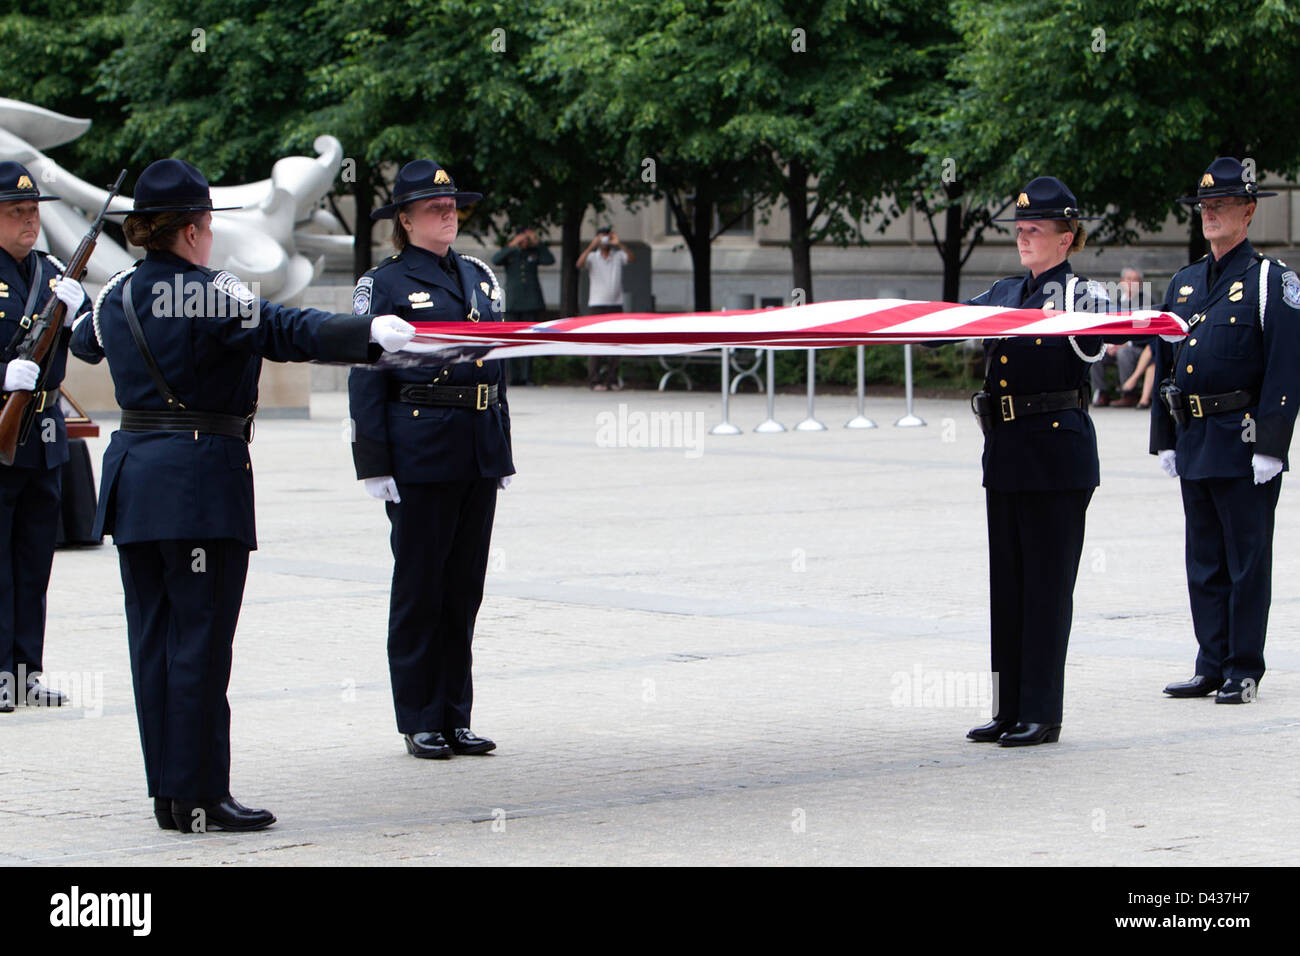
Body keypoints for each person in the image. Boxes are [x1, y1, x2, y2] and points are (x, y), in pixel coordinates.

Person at [70, 158, 414, 831]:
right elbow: (284, 330)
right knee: (199, 643)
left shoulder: (114, 295)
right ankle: (201, 795)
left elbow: (85, 345)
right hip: (199, 483)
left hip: (136, 481)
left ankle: (170, 794)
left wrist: (66, 298)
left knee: (154, 641)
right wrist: (364, 334)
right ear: (196, 230)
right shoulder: (207, 293)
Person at [348, 159, 513, 760]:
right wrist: (372, 460)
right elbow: (367, 369)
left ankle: (455, 713)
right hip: (419, 444)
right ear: (405, 219)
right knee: (421, 584)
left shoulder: (480, 275)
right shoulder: (384, 283)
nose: (448, 213)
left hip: (476, 445)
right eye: (434, 207)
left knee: (464, 585)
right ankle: (420, 716)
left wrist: (502, 445)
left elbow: (497, 361)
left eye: (451, 205)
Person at [960, 176, 1116, 747]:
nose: (1024, 240)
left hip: (1056, 455)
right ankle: (1009, 707)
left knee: (1046, 589)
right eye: (1020, 231)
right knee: (1009, 587)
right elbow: (951, 322)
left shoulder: (1085, 299)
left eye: (1036, 231)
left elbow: (1099, 338)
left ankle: (1041, 712)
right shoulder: (1004, 291)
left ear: (1066, 239)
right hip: (1005, 453)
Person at [1151, 157, 1300, 704]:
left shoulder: (1271, 282)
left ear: (1249, 211)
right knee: (1204, 560)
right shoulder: (1186, 282)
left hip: (1242, 440)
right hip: (1193, 436)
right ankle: (1210, 662)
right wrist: (1162, 436)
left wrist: (1273, 445)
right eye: (1204, 207)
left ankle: (1243, 667)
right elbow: (1166, 359)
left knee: (1246, 560)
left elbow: (1286, 367)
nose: (1210, 215)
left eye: (1222, 206)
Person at [0, 161, 90, 712]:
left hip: (43, 431)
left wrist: (81, 316)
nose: (29, 222)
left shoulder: (54, 271)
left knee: (34, 561)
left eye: (32, 212)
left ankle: (25, 671)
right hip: (1, 427)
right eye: (15, 213)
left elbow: (86, 347)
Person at [492, 227, 553, 386]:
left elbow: (550, 259)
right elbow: (495, 259)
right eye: (522, 238)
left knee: (528, 340)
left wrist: (537, 242)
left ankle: (526, 377)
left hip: (531, 301)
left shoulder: (534, 252)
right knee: (511, 340)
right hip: (513, 302)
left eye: (527, 239)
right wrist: (513, 244)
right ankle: (513, 377)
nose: (525, 241)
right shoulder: (511, 252)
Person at [577, 226, 633, 390]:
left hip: (616, 304)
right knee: (596, 343)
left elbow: (631, 258)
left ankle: (612, 379)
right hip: (597, 304)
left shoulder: (617, 255)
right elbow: (579, 264)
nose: (605, 240)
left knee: (616, 343)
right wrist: (591, 246)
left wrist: (619, 243)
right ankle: (594, 380)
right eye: (602, 237)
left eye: (607, 237)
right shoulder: (593, 257)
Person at [1090, 268, 1148, 406]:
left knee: (1124, 353)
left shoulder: (1146, 302)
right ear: (1121, 282)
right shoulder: (1114, 303)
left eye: (1134, 280)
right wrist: (1109, 344)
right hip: (1114, 344)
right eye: (1128, 279)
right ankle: (1101, 392)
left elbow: (1146, 331)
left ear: (1139, 284)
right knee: (1095, 352)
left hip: (1136, 347)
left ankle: (1129, 394)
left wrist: (1125, 344)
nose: (1130, 283)